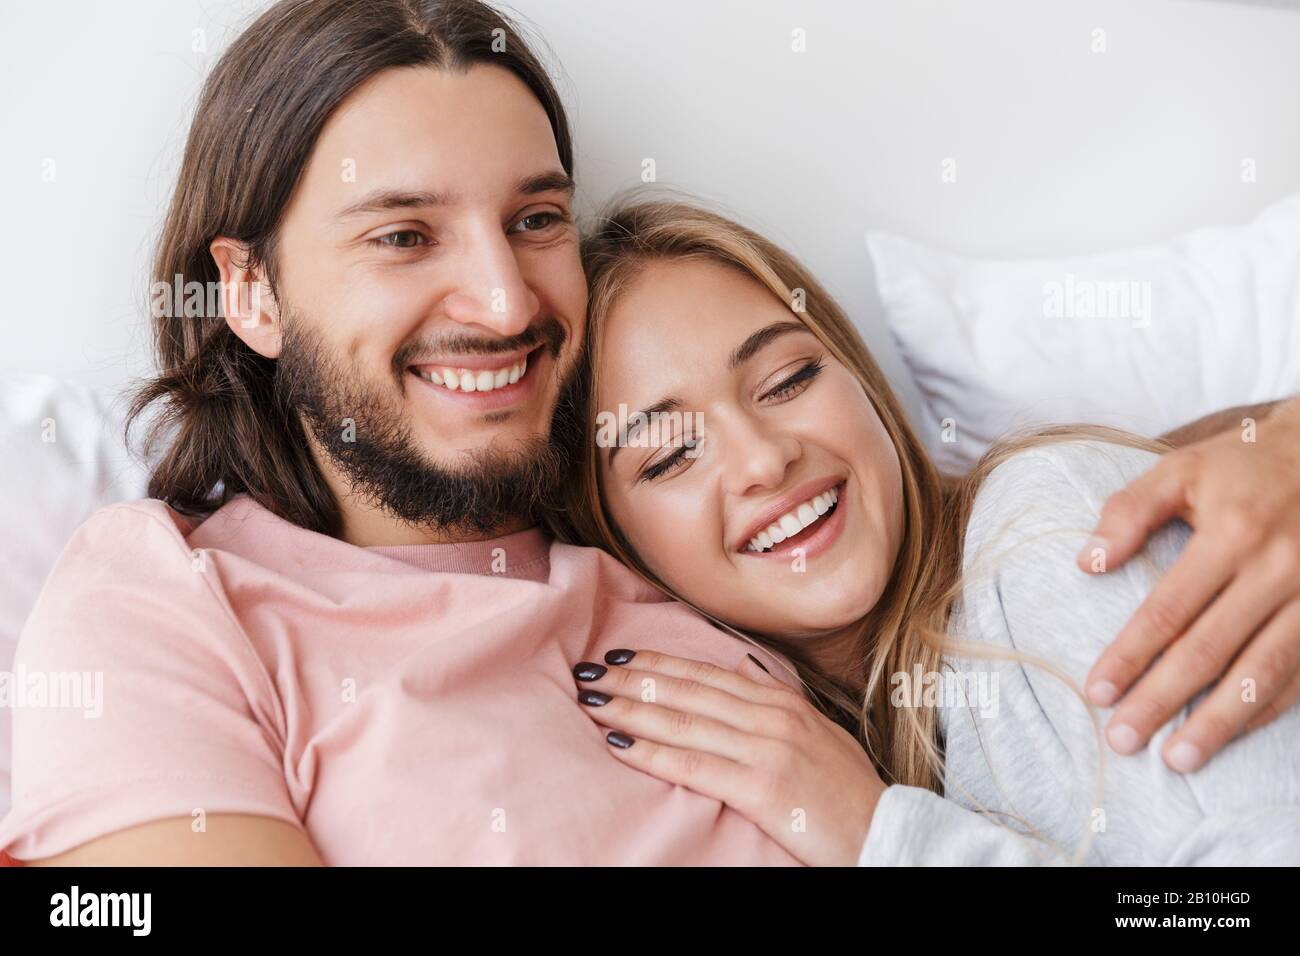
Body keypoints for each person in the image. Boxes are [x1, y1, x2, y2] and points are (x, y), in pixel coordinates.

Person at [3, 0, 1298, 866]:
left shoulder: (708, 586)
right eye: (403, 234)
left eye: (536, 218)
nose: (506, 300)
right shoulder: (168, 599)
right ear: (253, 293)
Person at [560, 199, 1300, 865]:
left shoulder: (1049, 528)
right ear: (614, 548)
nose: (763, 457)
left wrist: (882, 835)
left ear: (860, 377)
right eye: (672, 454)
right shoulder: (807, 748)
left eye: (788, 380)